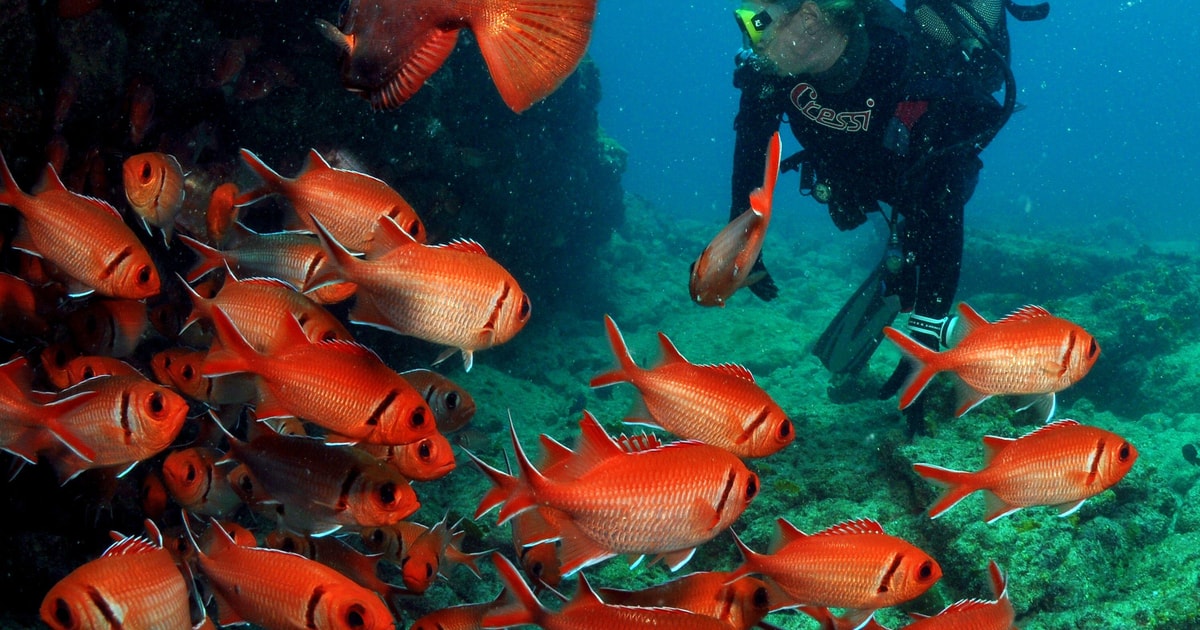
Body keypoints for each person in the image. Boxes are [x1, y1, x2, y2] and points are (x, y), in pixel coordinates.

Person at [728, 0, 1045, 427]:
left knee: (919, 233)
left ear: (810, 16)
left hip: (928, 173)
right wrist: (743, 245)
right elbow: (752, 144)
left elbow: (942, 207)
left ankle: (918, 290)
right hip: (854, 176)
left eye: (758, 22)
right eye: (743, 22)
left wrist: (927, 336)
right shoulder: (771, 74)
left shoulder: (907, 63)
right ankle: (899, 267)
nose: (750, 40)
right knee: (901, 248)